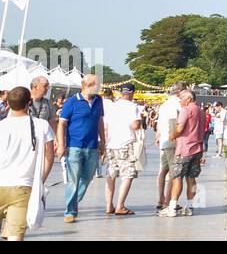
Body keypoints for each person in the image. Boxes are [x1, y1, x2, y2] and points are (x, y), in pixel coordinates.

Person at [0, 87, 55, 242]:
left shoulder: (1, 125)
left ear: (8, 104)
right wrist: (40, 180)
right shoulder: (41, 125)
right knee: (15, 237)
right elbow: (49, 156)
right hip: (23, 187)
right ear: (29, 103)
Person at [56, 73, 106, 224]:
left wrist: (103, 141)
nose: (99, 87)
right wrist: (61, 144)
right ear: (88, 85)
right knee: (73, 179)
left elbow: (100, 122)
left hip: (92, 146)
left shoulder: (98, 100)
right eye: (97, 84)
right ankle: (70, 211)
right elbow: (61, 124)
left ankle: (73, 201)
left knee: (87, 177)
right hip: (74, 146)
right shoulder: (72, 101)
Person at [159, 87, 204, 217]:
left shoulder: (186, 110)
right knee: (191, 178)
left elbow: (179, 128)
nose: (179, 101)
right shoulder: (201, 111)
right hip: (197, 148)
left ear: (189, 99)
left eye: (181, 99)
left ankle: (172, 207)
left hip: (184, 148)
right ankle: (189, 207)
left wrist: (172, 135)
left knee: (177, 177)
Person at [102, 83, 142, 216]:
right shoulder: (132, 106)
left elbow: (106, 127)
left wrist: (104, 144)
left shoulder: (113, 106)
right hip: (125, 143)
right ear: (131, 93)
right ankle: (120, 206)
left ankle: (109, 206)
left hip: (111, 144)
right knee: (128, 175)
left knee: (111, 175)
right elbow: (135, 125)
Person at [155, 82, 184, 211]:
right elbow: (174, 123)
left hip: (163, 140)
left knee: (163, 171)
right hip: (171, 141)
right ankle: (168, 200)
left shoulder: (164, 104)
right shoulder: (176, 104)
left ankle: (161, 198)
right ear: (179, 92)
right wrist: (177, 139)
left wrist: (158, 136)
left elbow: (159, 124)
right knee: (174, 172)